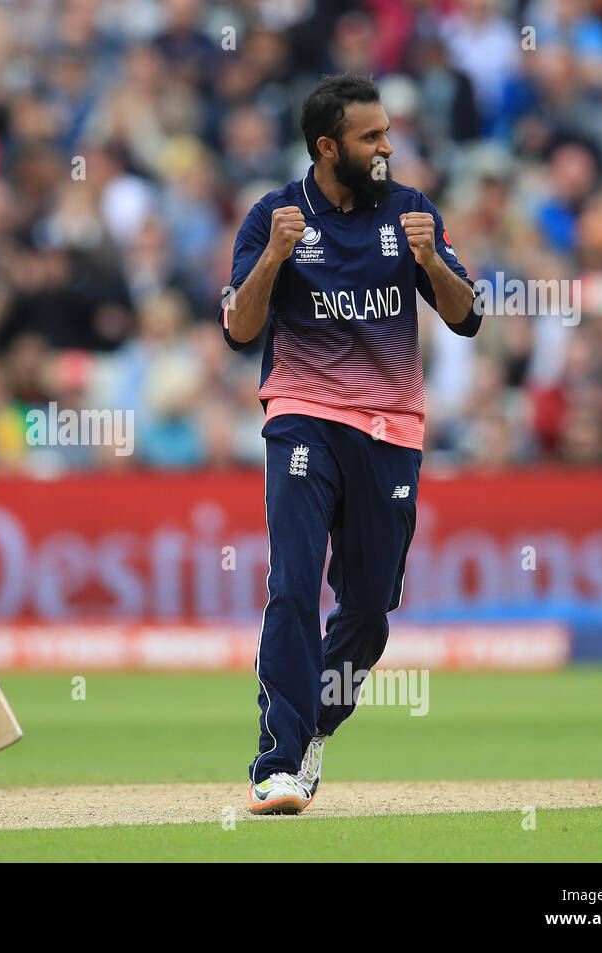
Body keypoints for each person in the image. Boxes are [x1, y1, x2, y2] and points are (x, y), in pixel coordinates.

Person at [220, 73, 483, 814]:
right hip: (301, 417)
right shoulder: (273, 215)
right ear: (328, 147)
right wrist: (273, 258)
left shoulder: (411, 211)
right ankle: (276, 760)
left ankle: (312, 731)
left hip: (391, 430)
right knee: (294, 586)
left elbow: (468, 318)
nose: (387, 148)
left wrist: (432, 263)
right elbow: (240, 331)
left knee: (368, 607)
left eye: (388, 134)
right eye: (372, 138)